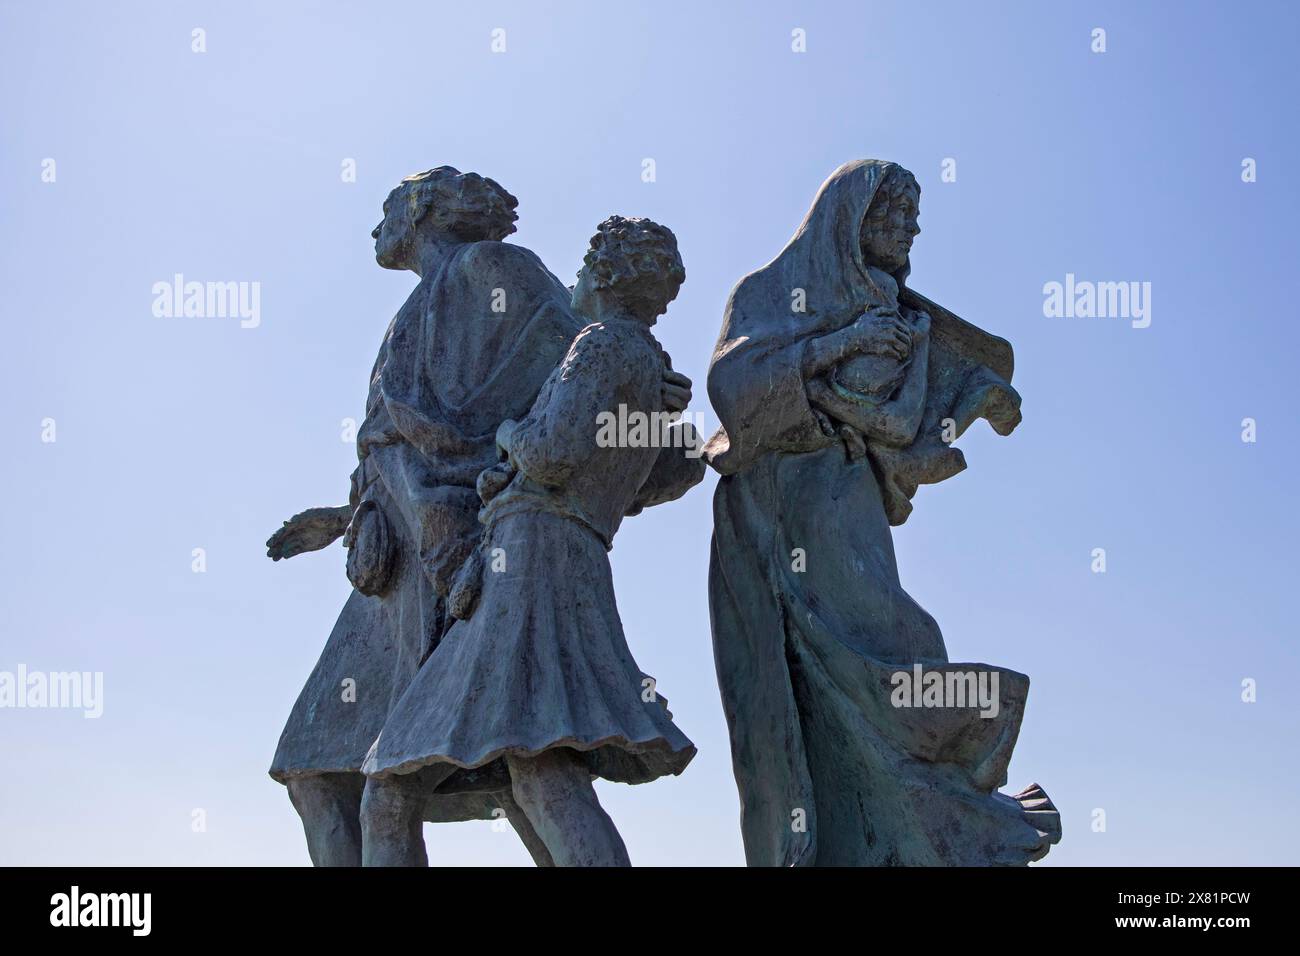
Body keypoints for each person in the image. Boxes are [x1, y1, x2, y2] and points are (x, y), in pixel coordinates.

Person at [704, 159, 1060, 866]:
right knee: (796, 682)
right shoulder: (770, 292)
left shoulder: (906, 319)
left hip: (847, 505)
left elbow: (900, 433)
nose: (909, 229)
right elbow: (732, 389)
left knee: (897, 644)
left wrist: (974, 405)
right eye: (892, 215)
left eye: (912, 217)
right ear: (847, 219)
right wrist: (840, 346)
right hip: (773, 506)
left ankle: (922, 831)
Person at [361, 216, 703, 866]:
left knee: (413, 778)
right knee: (537, 767)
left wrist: (509, 432)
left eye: (581, 269)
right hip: (566, 554)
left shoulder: (601, 346)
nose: (572, 280)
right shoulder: (646, 365)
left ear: (602, 274)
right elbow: (666, 476)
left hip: (528, 556)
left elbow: (548, 454)